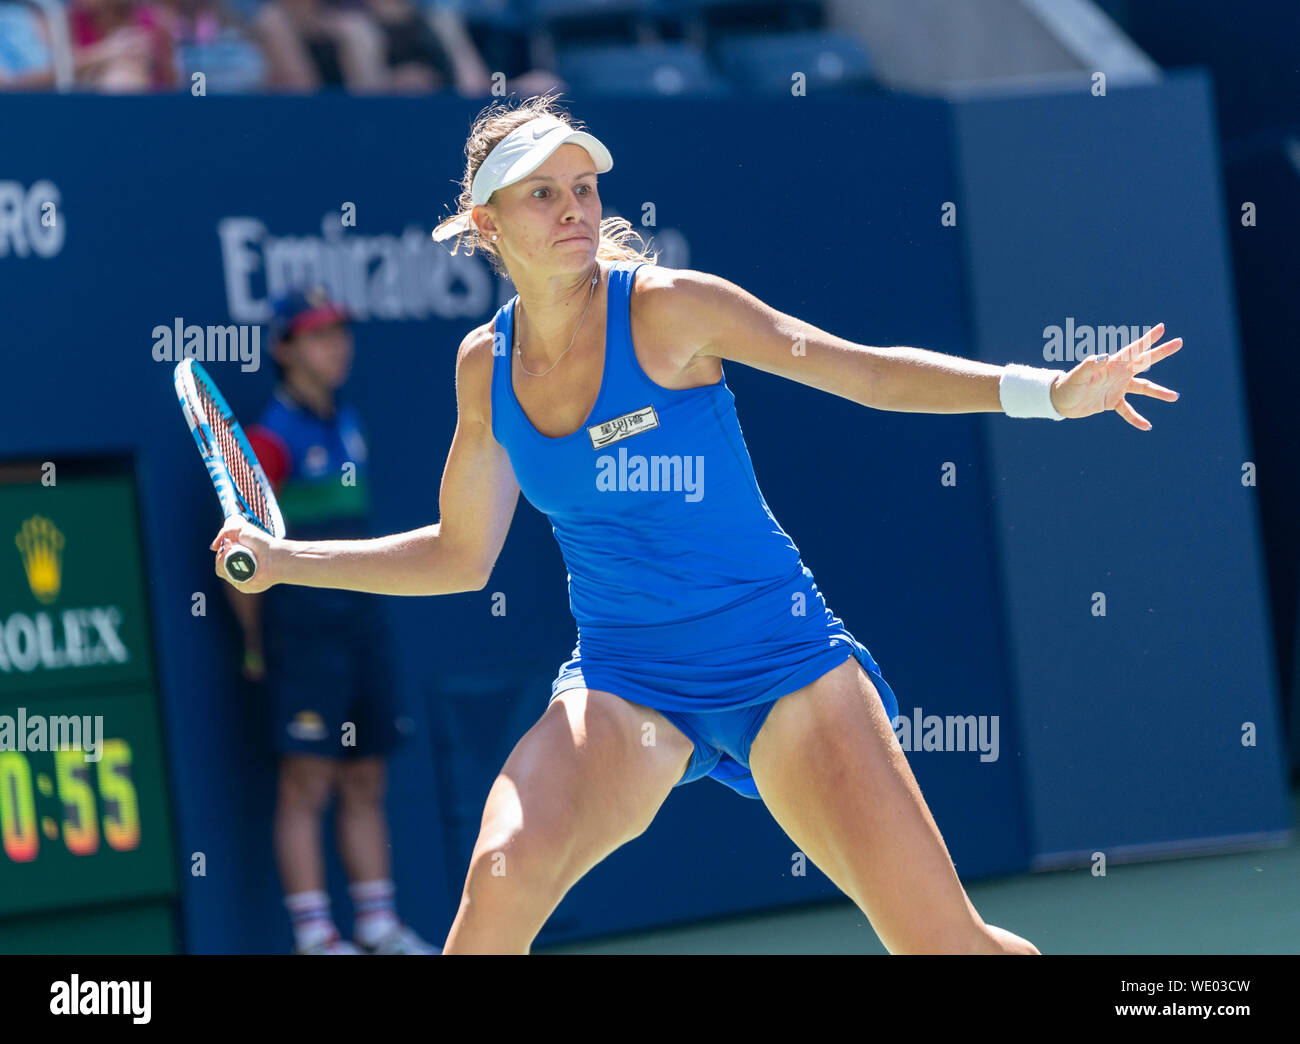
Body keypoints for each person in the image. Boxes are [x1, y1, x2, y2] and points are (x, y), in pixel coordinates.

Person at [211, 95, 1183, 954]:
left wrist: (1050, 392)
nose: (573, 208)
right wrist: (288, 561)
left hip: (782, 665)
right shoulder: (484, 369)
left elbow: (866, 371)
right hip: (624, 687)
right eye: (541, 193)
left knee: (942, 946)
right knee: (496, 882)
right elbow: (460, 555)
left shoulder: (673, 311)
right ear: (486, 222)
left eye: (582, 186)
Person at [226, 288, 436, 954]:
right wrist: (258, 640)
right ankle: (317, 937)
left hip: (362, 626)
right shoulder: (267, 441)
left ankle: (376, 924)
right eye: (317, 336)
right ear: (284, 351)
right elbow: (240, 561)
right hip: (301, 635)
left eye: (339, 333)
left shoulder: (350, 423)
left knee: (367, 773)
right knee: (307, 779)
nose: (336, 346)